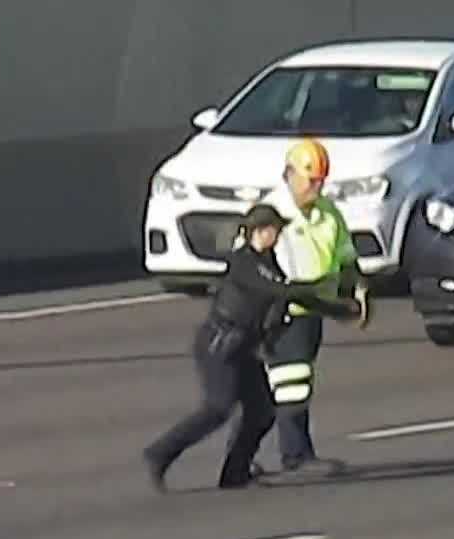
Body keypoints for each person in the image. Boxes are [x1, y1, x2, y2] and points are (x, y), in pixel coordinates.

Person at [142, 204, 366, 492]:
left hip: (243, 347)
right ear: (258, 232)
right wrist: (324, 285)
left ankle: (235, 473)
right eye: (274, 229)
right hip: (218, 345)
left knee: (262, 411)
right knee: (217, 408)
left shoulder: (267, 262)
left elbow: (289, 296)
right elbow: (284, 290)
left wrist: (339, 310)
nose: (279, 234)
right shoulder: (245, 263)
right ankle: (160, 453)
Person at [246, 138, 372, 475]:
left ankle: (243, 458)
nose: (315, 188)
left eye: (320, 181)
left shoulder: (328, 213)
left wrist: (356, 290)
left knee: (286, 386)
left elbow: (345, 256)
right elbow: (248, 264)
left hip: (313, 309)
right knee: (291, 385)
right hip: (280, 312)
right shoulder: (270, 214)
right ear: (289, 175)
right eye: (310, 180)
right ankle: (296, 455)